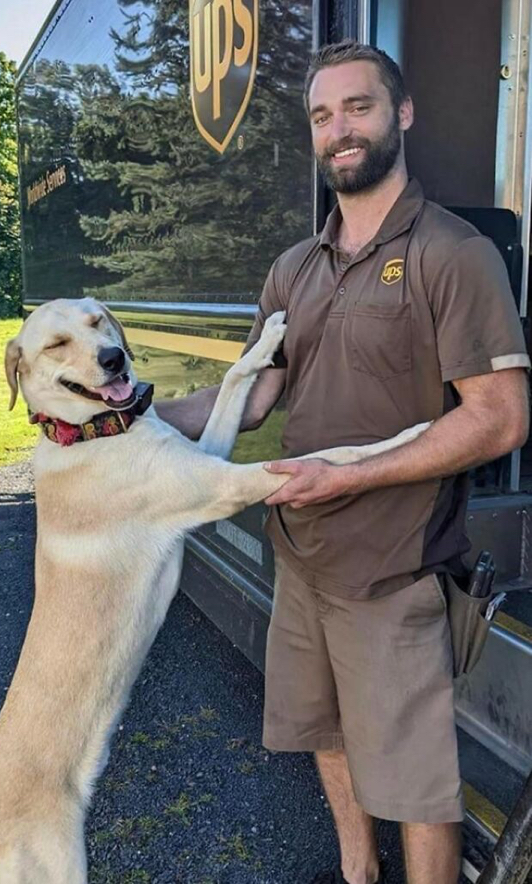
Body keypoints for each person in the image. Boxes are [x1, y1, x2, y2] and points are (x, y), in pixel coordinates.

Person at [155, 41, 530, 884]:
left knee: (418, 786)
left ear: (402, 114)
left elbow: (501, 419)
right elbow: (252, 397)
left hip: (393, 573)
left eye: (358, 107)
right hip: (301, 556)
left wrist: (349, 476)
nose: (340, 130)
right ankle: (358, 874)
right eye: (323, 116)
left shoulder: (453, 252)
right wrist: (134, 416)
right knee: (324, 735)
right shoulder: (295, 267)